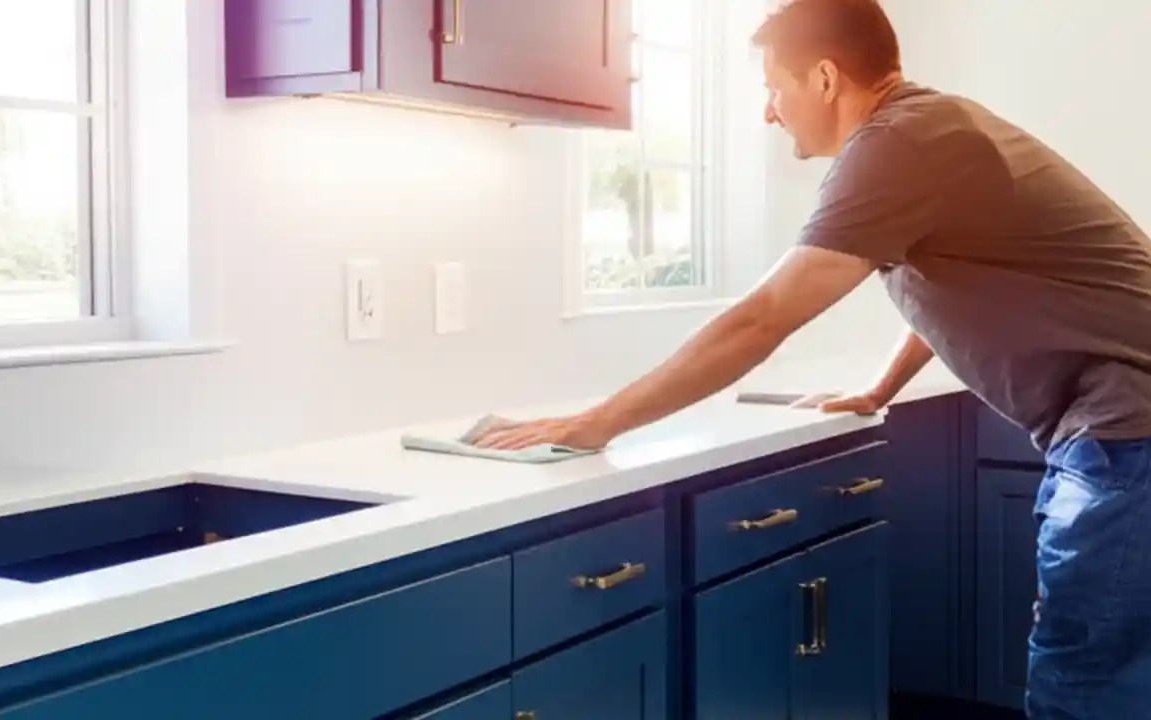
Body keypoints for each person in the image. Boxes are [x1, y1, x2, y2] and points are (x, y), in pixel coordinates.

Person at [472, 0, 1151, 716]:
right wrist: (878, 386)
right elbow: (975, 286)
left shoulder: (897, 145)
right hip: (1125, 433)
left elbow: (762, 320)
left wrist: (596, 422)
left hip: (1127, 436)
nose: (769, 112)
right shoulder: (929, 128)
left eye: (774, 86)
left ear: (824, 78)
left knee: (1083, 681)